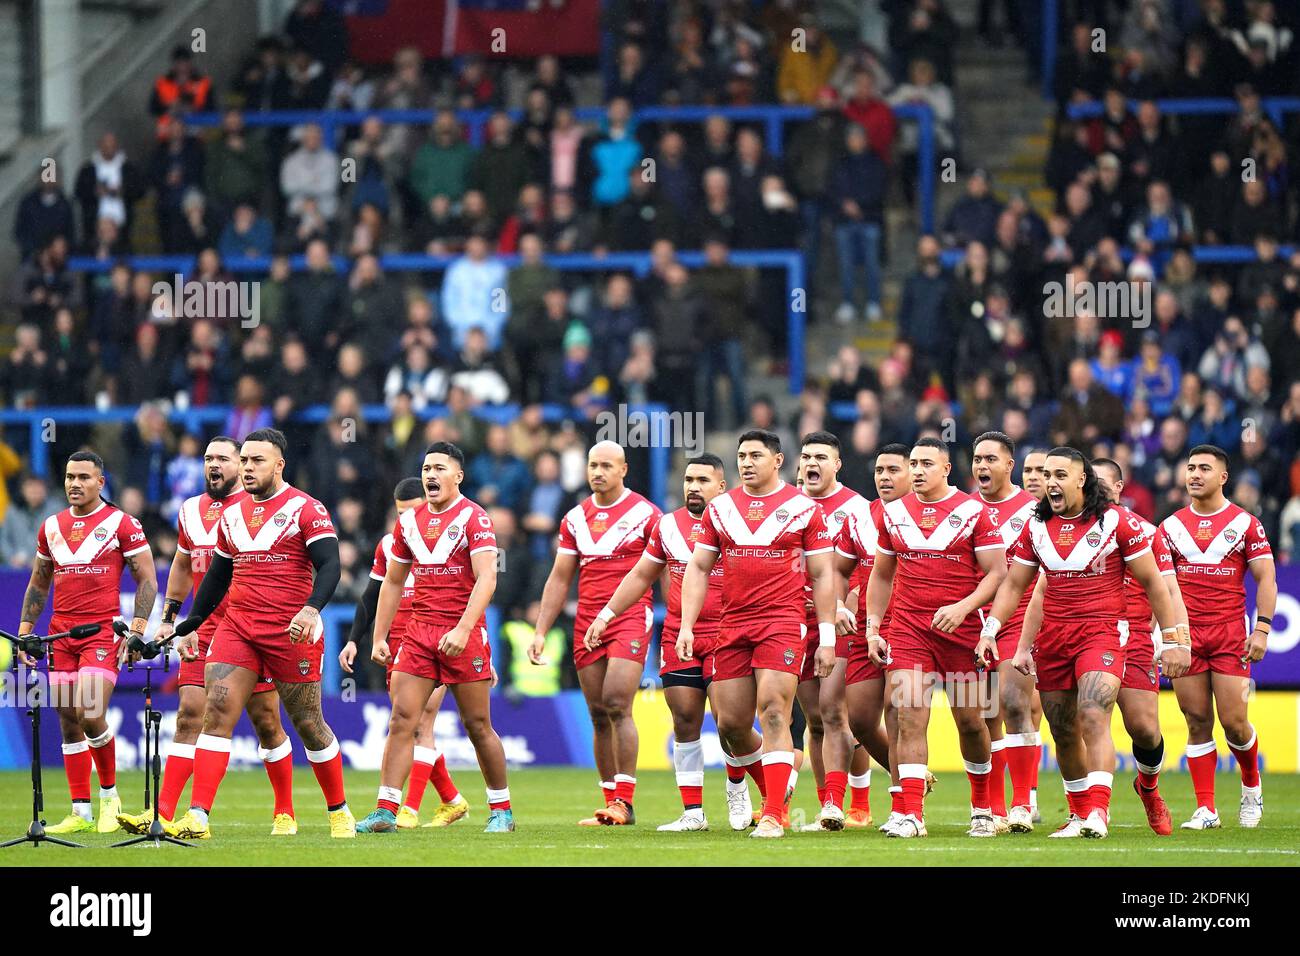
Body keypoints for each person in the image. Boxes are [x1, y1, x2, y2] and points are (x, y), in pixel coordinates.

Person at [978, 447, 1187, 840]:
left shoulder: (1117, 522)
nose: (1049, 481)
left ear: (1081, 480)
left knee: (1098, 715)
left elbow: (1155, 583)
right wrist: (993, 629)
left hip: (1104, 632)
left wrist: (1174, 638)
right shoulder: (1036, 526)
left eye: (1059, 474)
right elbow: (1018, 585)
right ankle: (1078, 814)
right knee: (1063, 729)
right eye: (1046, 474)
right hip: (1054, 638)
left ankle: (1101, 812)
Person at [167, 429, 352, 839]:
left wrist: (311, 608)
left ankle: (339, 811)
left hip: (292, 631)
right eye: (245, 461)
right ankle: (198, 816)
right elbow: (217, 576)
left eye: (257, 461)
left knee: (307, 722)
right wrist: (189, 624)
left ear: (279, 464)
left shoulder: (307, 508)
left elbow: (331, 566)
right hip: (239, 629)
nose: (248, 468)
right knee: (216, 715)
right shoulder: (231, 515)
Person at [117, 438, 295, 836]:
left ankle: (285, 810)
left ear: (244, 464)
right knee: (189, 716)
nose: (214, 465)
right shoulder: (190, 510)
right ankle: (165, 814)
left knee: (266, 722)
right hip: (204, 628)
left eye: (223, 458)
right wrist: (171, 619)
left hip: (252, 626)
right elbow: (183, 564)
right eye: (208, 458)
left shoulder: (256, 510)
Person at [677, 430, 838, 839]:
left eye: (755, 455)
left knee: (772, 711)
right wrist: (687, 625)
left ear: (778, 460)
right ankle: (776, 787)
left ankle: (772, 815)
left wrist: (827, 637)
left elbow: (821, 574)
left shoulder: (804, 509)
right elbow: (697, 568)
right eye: (741, 456)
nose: (746, 462)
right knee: (730, 724)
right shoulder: (721, 509)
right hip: (732, 625)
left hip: (782, 623)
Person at [588, 454, 752, 832]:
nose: (693, 487)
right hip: (681, 634)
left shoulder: (738, 523)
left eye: (703, 481)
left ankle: (737, 786)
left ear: (722, 487)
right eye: (688, 479)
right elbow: (641, 574)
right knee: (684, 720)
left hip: (728, 634)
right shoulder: (667, 526)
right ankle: (693, 812)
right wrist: (607, 614)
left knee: (731, 723)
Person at [356, 444, 514, 834]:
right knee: (401, 719)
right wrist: (379, 635)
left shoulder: (475, 518)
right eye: (426, 467)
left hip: (464, 632)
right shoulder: (408, 522)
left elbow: (487, 579)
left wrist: (463, 629)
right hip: (419, 633)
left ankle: (502, 810)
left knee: (477, 724)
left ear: (457, 476)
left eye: (439, 468)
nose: (430, 474)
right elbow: (392, 580)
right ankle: (386, 811)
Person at [861, 438, 1007, 839]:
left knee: (972, 723)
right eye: (914, 463)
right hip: (909, 630)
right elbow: (882, 574)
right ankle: (911, 813)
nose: (918, 470)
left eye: (927, 463)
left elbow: (998, 573)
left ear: (946, 469)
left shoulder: (974, 512)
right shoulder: (892, 514)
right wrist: (874, 626)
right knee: (909, 716)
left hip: (963, 634)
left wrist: (963, 608)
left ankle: (982, 806)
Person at [19, 451, 157, 835]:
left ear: (101, 482)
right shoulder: (50, 527)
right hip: (60, 636)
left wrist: (137, 628)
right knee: (67, 721)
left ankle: (110, 798)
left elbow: (146, 579)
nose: (74, 484)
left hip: (101, 632)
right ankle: (80, 811)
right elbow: (38, 581)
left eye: (83, 477)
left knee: (91, 713)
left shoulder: (122, 523)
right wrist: (27, 628)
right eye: (69, 477)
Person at [530, 441, 661, 826]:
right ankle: (610, 802)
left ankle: (626, 800)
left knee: (618, 701)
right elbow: (559, 577)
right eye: (592, 465)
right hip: (587, 621)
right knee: (598, 714)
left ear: (624, 469)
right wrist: (541, 629)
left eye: (606, 465)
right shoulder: (574, 519)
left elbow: (665, 567)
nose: (597, 472)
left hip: (630, 616)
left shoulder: (646, 514)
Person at [339, 478, 469, 828]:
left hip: (435, 640)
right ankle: (452, 799)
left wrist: (477, 636)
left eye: (412, 512)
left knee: (422, 721)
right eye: (399, 514)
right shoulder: (389, 546)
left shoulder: (449, 542)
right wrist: (355, 639)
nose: (407, 521)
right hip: (398, 647)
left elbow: (473, 589)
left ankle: (407, 809)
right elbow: (372, 596)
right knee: (407, 721)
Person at [1160, 445, 1277, 830]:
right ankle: (1206, 809)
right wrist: (1164, 637)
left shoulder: (1246, 524)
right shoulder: (1171, 526)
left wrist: (1261, 628)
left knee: (1234, 722)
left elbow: (1266, 578)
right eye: (1190, 467)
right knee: (1196, 720)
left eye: (1204, 468)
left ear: (1223, 477)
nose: (1194, 474)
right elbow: (1158, 586)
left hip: (1230, 638)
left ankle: (1250, 786)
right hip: (1187, 639)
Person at [1092, 457, 1188, 835]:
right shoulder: (1069, 530)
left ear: (1120, 488)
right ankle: (1088, 808)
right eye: (1090, 482)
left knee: (1144, 729)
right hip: (1088, 634)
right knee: (1088, 721)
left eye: (1104, 483)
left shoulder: (1147, 533)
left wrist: (1176, 640)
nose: (1097, 489)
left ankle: (1148, 788)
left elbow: (1168, 589)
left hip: (1133, 639)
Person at [792, 432, 878, 831]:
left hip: (843, 619)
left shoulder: (857, 508)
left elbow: (870, 568)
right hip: (793, 620)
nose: (812, 463)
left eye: (821, 457)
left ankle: (854, 804)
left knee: (835, 711)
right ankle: (829, 805)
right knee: (814, 719)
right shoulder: (788, 506)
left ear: (837, 464)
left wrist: (844, 606)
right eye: (806, 455)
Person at [832, 443, 913, 832]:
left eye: (893, 470)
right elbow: (838, 569)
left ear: (913, 473)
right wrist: (839, 604)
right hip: (869, 626)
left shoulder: (930, 515)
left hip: (913, 627)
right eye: (879, 470)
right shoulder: (859, 517)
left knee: (901, 713)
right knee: (862, 719)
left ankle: (905, 798)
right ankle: (911, 778)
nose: (884, 477)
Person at [969, 432, 1040, 833]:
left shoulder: (1034, 510)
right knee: (982, 715)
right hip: (969, 625)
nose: (982, 466)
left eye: (990, 459)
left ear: (1009, 465)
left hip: (1016, 621)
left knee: (1014, 703)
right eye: (977, 459)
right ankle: (992, 809)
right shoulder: (960, 507)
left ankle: (1021, 804)